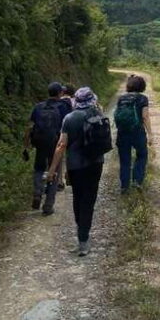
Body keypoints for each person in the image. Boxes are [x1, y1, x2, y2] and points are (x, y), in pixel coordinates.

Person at [47, 86, 105, 256]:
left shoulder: (69, 118)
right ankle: (83, 239)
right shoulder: (98, 114)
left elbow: (61, 145)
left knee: (78, 199)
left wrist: (52, 170)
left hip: (75, 166)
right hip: (96, 164)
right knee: (89, 200)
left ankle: (82, 235)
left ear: (76, 101)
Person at [23, 82, 72, 215]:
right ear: (60, 93)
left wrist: (26, 145)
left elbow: (29, 127)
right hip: (55, 143)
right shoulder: (64, 107)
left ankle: (38, 191)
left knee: (39, 168)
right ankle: (48, 206)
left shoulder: (38, 106)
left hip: (39, 143)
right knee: (54, 171)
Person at [114, 74, 153, 194]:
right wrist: (150, 134)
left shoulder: (121, 98)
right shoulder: (142, 98)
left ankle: (124, 187)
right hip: (137, 132)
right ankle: (137, 181)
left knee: (125, 160)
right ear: (142, 86)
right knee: (142, 155)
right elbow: (145, 116)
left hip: (122, 132)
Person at [57, 84, 76, 190]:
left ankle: (58, 181)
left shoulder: (57, 102)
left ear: (62, 92)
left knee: (59, 155)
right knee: (70, 155)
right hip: (71, 132)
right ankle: (70, 176)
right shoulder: (74, 102)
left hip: (57, 132)